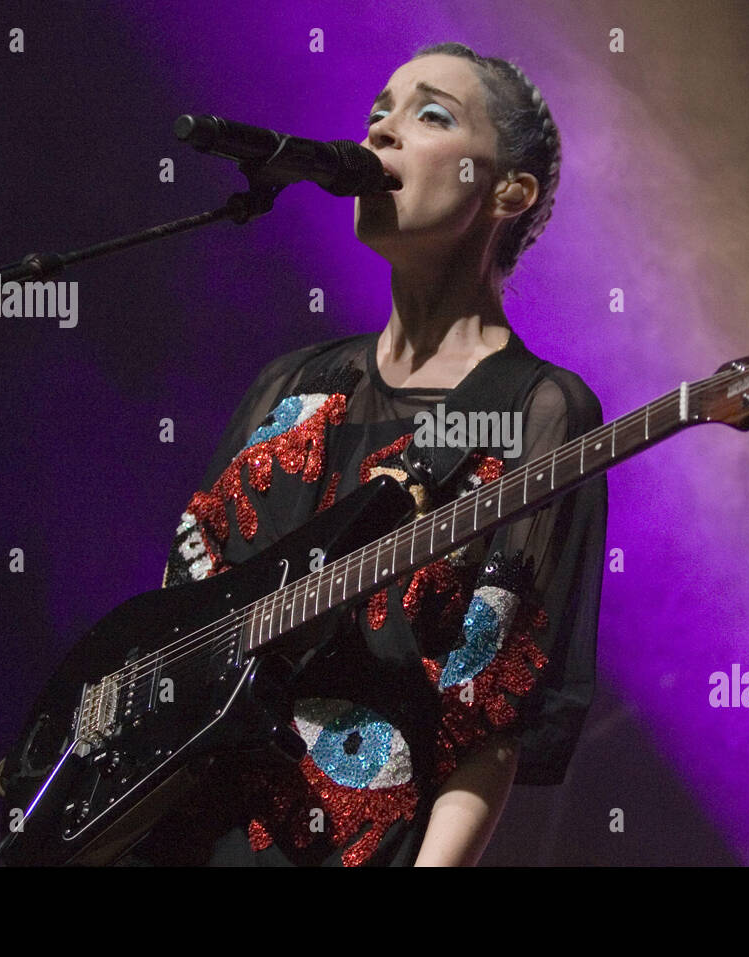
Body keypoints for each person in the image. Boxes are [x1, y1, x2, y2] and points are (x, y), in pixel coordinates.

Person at [133, 42, 607, 866]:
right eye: (377, 112)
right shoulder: (296, 383)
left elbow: (489, 717)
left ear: (509, 191)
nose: (382, 130)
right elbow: (183, 612)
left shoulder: (536, 412)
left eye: (431, 115)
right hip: (185, 833)